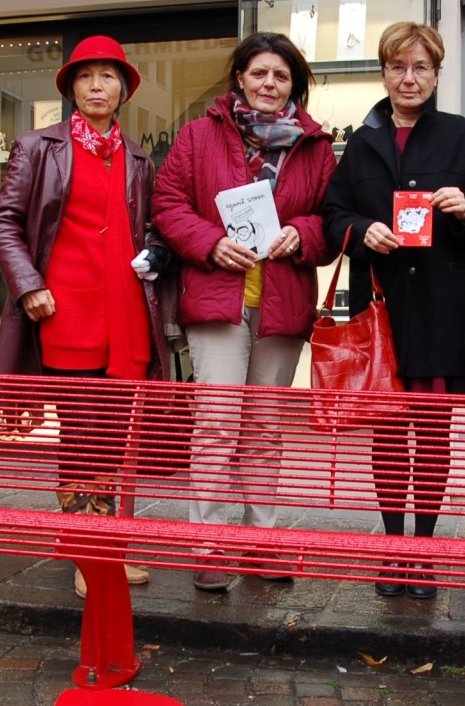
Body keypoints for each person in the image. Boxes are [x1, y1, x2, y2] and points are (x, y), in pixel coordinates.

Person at [322, 22, 465, 599]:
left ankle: (422, 555)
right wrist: (360, 229)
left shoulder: (464, 138)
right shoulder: (361, 145)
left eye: (421, 67)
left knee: (432, 438)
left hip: (443, 310)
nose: (409, 77)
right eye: (398, 66)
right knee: (387, 438)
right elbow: (331, 217)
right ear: (383, 71)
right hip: (384, 312)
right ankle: (392, 548)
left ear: (436, 73)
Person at [151, 32, 337, 592]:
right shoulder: (198, 135)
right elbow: (167, 203)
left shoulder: (315, 145)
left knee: (263, 428)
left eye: (280, 76)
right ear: (238, 78)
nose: (269, 84)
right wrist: (209, 243)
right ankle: (208, 545)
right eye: (259, 73)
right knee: (215, 424)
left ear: (293, 85)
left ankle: (263, 543)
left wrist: (298, 234)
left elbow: (332, 221)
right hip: (218, 299)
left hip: (281, 304)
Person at [0, 35, 172, 598]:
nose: (97, 86)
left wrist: (155, 251)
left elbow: (153, 228)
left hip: (126, 313)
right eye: (87, 76)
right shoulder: (37, 147)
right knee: (80, 435)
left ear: (123, 89)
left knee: (117, 437)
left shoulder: (139, 157)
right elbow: (5, 222)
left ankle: (109, 547)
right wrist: (28, 287)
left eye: (108, 76)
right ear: (71, 86)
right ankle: (87, 555)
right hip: (64, 309)